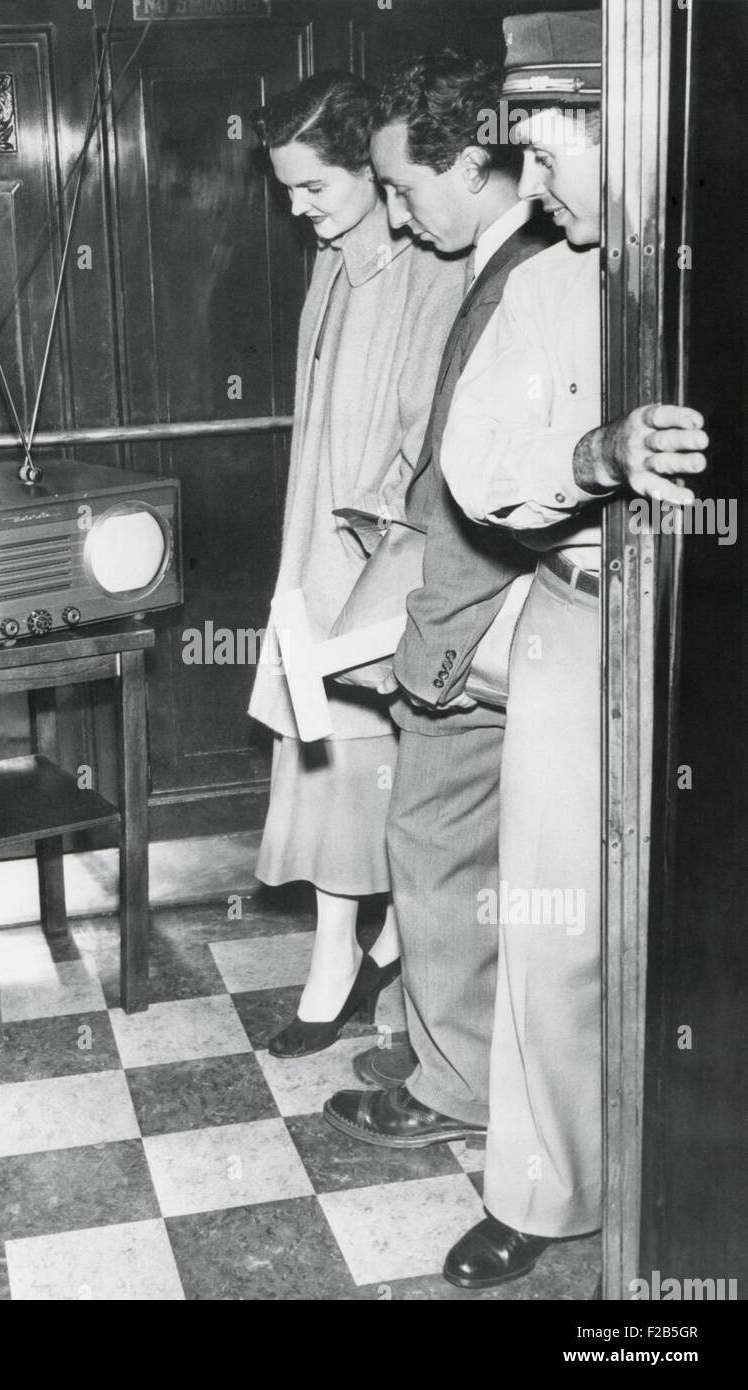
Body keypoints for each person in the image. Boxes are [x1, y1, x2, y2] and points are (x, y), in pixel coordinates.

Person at [434, 12, 706, 1288]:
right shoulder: (543, 290)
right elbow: (477, 474)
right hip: (572, 621)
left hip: (704, 643)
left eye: (549, 155)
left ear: (637, 135)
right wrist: (591, 459)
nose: (531, 187)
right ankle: (543, 1190)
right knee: (553, 925)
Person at [320, 53, 554, 1145]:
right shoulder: (509, 258)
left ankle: (452, 1086)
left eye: (407, 190)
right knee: (457, 853)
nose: (402, 220)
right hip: (480, 615)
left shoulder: (526, 271)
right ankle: (441, 1041)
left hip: (480, 627)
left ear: (471, 162)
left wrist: (427, 641)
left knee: (432, 844)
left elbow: (500, 500)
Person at [247, 72, 466, 1058]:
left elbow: (428, 448)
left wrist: (371, 552)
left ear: (374, 176)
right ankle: (363, 941)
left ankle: (340, 962)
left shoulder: (429, 269)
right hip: (315, 547)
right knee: (319, 750)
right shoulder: (331, 264)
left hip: (381, 557)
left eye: (314, 190)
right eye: (286, 190)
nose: (297, 210)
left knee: (357, 759)